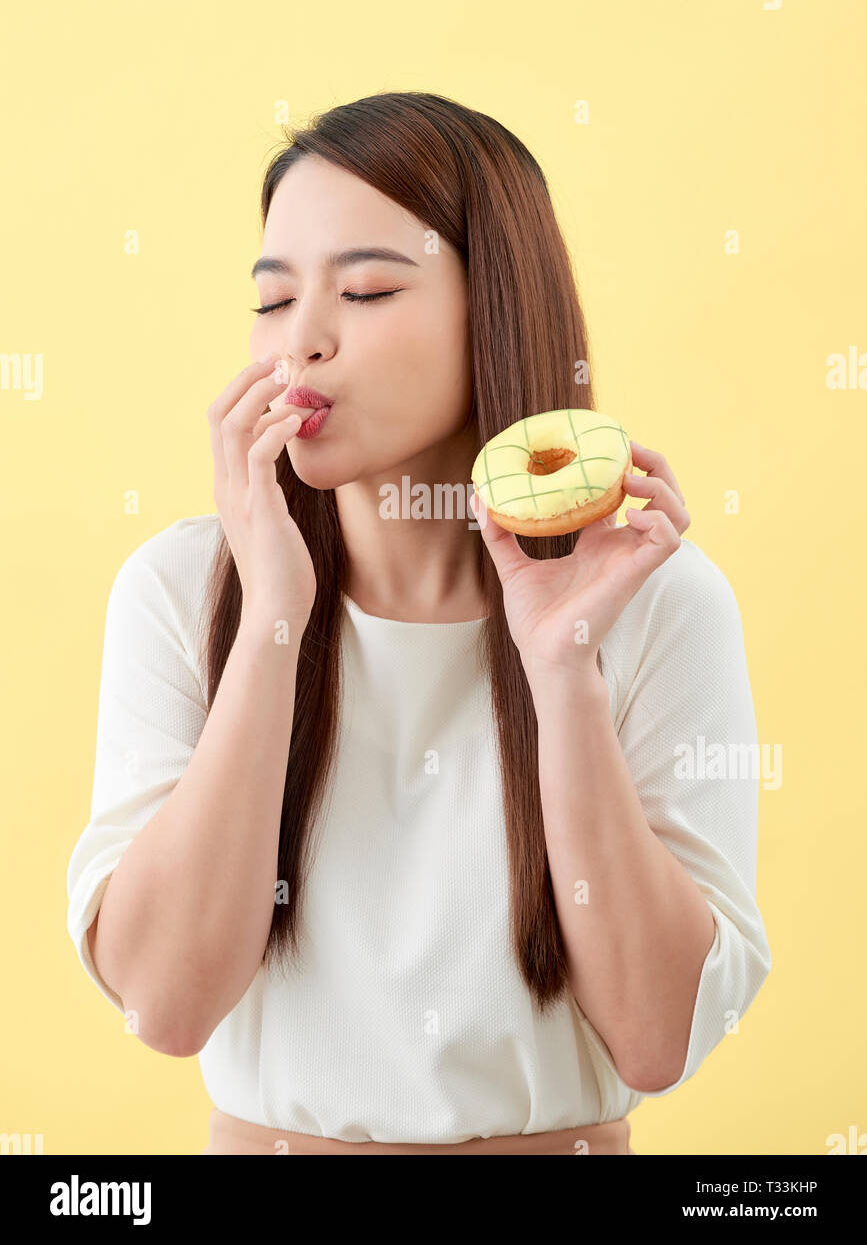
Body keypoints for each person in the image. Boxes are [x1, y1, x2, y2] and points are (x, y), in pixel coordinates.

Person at [66, 91, 772, 1155]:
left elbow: (653, 1035)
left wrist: (564, 669)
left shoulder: (659, 599)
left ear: (495, 307)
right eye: (273, 299)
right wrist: (274, 621)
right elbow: (163, 1005)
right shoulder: (182, 588)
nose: (301, 340)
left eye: (364, 289)